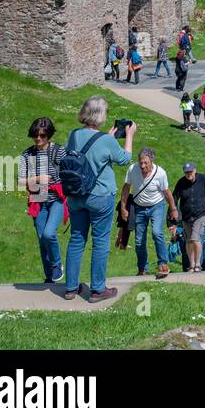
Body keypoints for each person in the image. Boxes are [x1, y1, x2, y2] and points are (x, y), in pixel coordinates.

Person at [63, 96, 133, 302]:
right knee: (100, 241)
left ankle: (70, 287)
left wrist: (107, 137)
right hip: (100, 195)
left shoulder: (74, 134)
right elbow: (124, 158)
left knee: (77, 238)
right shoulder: (106, 141)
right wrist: (129, 136)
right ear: (102, 115)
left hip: (76, 194)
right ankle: (97, 289)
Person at [20, 117, 67, 284]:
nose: (38, 139)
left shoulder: (59, 151)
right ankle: (49, 276)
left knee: (49, 233)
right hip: (38, 198)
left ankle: (57, 265)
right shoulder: (27, 154)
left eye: (42, 135)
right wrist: (38, 178)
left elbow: (69, 173)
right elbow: (21, 181)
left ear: (49, 135)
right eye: (35, 135)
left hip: (56, 199)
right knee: (42, 239)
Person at [120, 146, 178, 278]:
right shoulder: (132, 169)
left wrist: (173, 208)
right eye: (140, 162)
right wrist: (123, 208)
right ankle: (142, 268)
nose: (142, 165)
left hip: (156, 206)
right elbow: (126, 188)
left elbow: (167, 193)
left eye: (145, 162)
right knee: (139, 240)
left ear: (152, 161)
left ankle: (163, 263)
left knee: (157, 233)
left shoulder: (160, 173)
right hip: (139, 207)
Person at [173, 162, 205, 273]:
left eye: (190, 171)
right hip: (186, 216)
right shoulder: (181, 182)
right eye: (186, 172)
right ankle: (191, 264)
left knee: (196, 238)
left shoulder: (203, 179)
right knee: (189, 241)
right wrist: (172, 218)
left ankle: (198, 264)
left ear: (195, 170)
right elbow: (174, 198)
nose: (188, 174)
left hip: (201, 214)